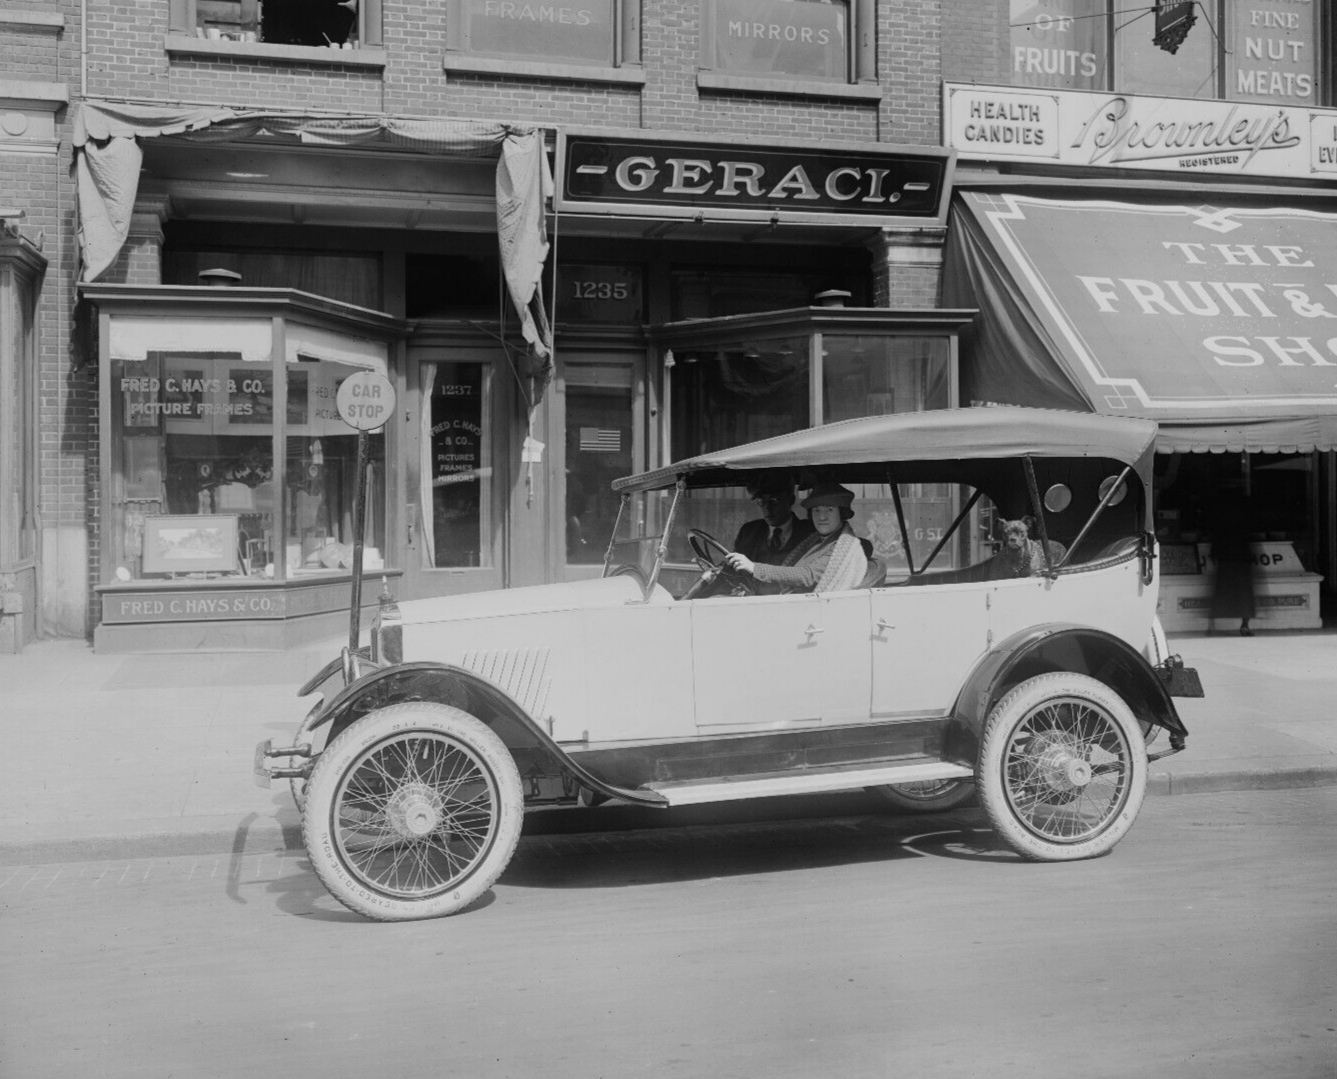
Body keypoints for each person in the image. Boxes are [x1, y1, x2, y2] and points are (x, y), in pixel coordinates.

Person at [723, 482, 868, 593]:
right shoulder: (818, 540)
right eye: (816, 510)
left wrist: (754, 568)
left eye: (829, 509)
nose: (822, 517)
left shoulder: (841, 547)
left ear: (842, 513)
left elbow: (808, 575)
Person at [732, 471, 815, 566]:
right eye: (761, 501)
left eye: (774, 500)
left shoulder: (810, 532)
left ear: (791, 500)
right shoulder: (748, 532)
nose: (767, 507)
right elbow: (734, 569)